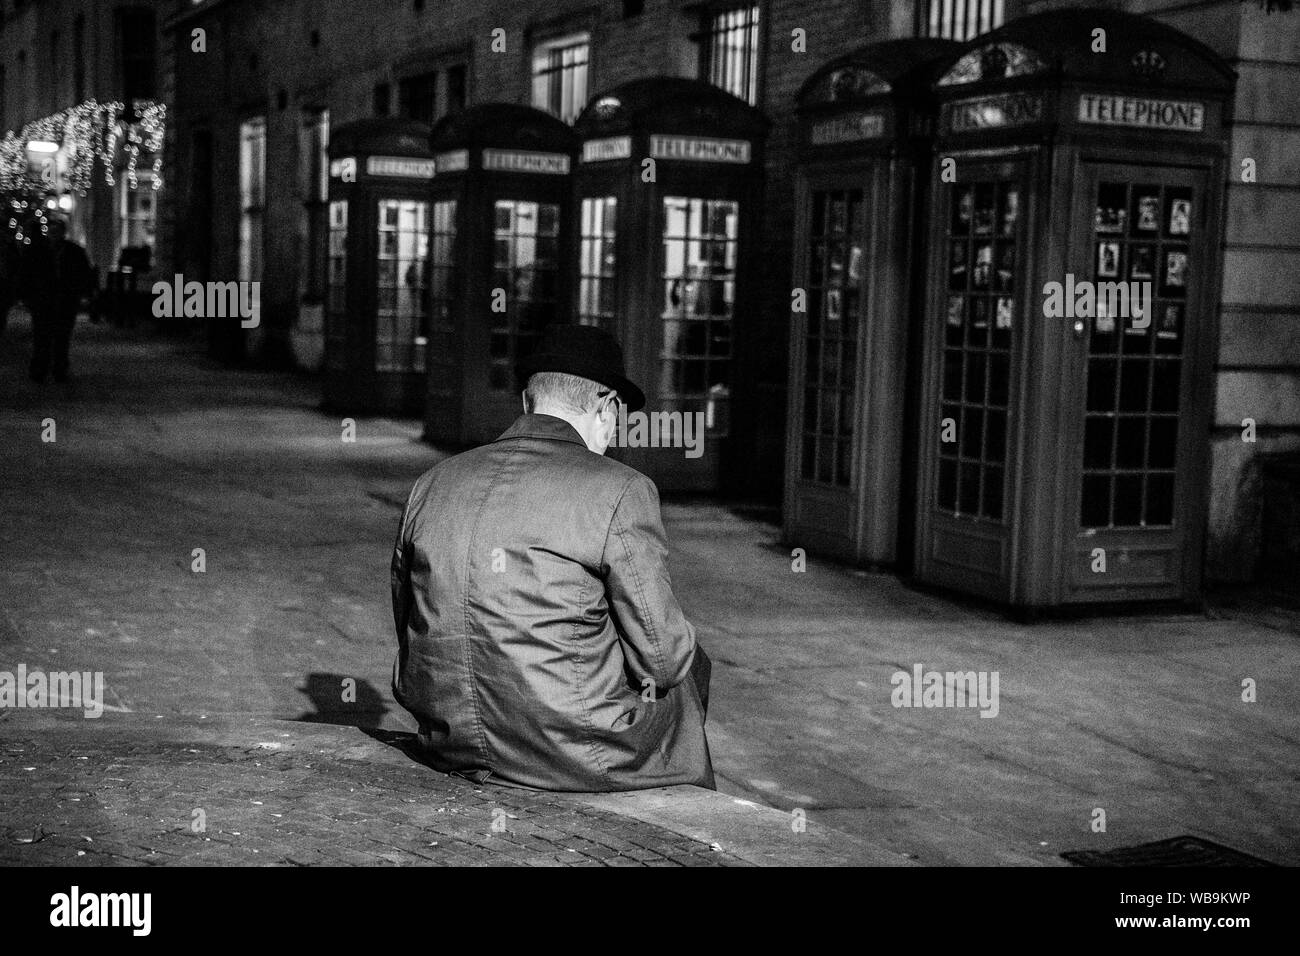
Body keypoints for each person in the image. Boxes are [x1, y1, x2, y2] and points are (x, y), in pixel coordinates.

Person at [390, 324, 714, 791]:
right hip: (569, 754)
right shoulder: (621, 489)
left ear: (526, 403)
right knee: (688, 667)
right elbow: (662, 661)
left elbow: (407, 620)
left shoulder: (433, 481)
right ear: (607, 407)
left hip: (448, 735)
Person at [21, 216, 94, 383]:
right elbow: (27, 274)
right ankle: (41, 369)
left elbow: (83, 274)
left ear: (63, 232)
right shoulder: (38, 251)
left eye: (57, 231)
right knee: (42, 337)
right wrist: (28, 296)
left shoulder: (73, 251)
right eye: (52, 231)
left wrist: (80, 293)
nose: (54, 234)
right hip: (43, 301)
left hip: (65, 301)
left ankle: (58, 369)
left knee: (61, 338)